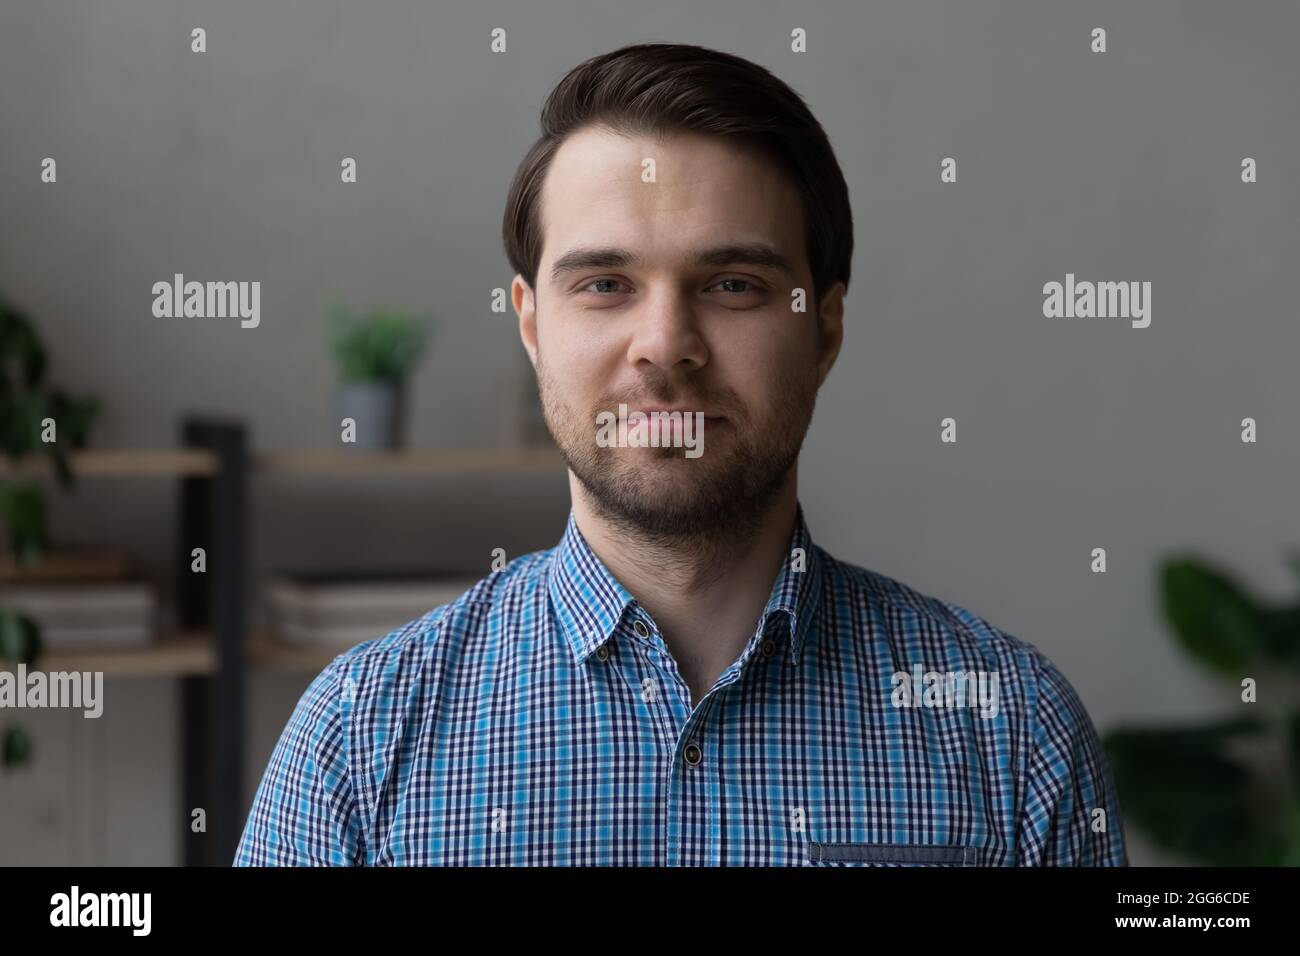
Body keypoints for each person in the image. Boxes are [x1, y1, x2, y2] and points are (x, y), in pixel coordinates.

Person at [235, 41, 1126, 866]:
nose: (665, 344)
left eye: (733, 285)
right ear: (533, 324)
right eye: (606, 285)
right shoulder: (358, 737)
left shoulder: (1010, 730)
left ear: (825, 327)